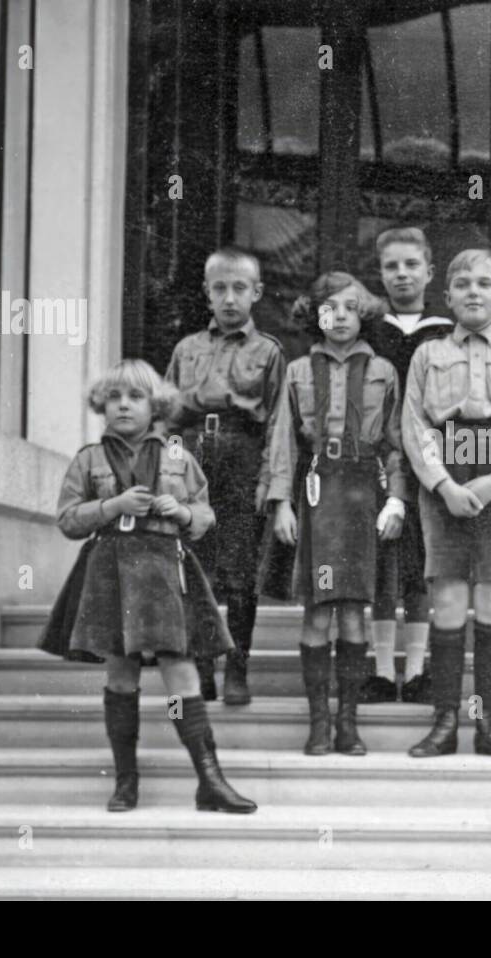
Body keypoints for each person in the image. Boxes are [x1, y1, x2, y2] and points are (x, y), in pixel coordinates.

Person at [39, 359, 256, 813]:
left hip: (163, 570)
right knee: (122, 673)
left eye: (135, 397)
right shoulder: (88, 459)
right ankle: (125, 781)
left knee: (181, 673)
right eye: (114, 397)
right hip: (111, 572)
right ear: (101, 405)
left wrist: (182, 515)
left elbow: (204, 513)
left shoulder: (178, 455)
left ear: (154, 405)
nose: (123, 406)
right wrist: (111, 504)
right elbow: (66, 519)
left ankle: (209, 779)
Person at [401, 249, 491, 758]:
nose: (473, 292)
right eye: (462, 284)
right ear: (447, 296)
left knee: (490, 603)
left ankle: (487, 723)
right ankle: (444, 722)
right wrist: (443, 485)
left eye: (485, 284)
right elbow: (415, 427)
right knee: (447, 604)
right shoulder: (427, 356)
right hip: (447, 478)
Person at [260, 273, 406, 756]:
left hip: (364, 490)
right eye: (329, 308)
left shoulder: (383, 369)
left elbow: (394, 442)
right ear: (314, 314)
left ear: (363, 313)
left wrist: (396, 498)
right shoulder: (299, 370)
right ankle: (318, 722)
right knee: (318, 607)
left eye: (349, 307)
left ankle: (349, 721)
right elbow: (282, 437)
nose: (339, 316)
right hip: (317, 489)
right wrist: (281, 502)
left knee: (352, 610)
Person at [164, 246, 287, 705]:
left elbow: (277, 422)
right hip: (194, 455)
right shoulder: (187, 349)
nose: (230, 298)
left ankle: (237, 667)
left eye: (240, 288)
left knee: (239, 573)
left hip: (243, 453)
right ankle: (202, 667)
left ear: (256, 293)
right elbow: (167, 418)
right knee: (195, 571)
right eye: (220, 288)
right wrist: (172, 473)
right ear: (207, 293)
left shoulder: (268, 352)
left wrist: (267, 482)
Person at [360, 228, 455, 704]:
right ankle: (380, 669)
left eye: (411, 265)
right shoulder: (369, 332)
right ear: (380, 274)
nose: (402, 274)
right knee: (381, 566)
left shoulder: (444, 331)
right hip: (378, 459)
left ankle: (416, 671)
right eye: (392, 266)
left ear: (429, 272)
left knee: (419, 567)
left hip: (429, 462)